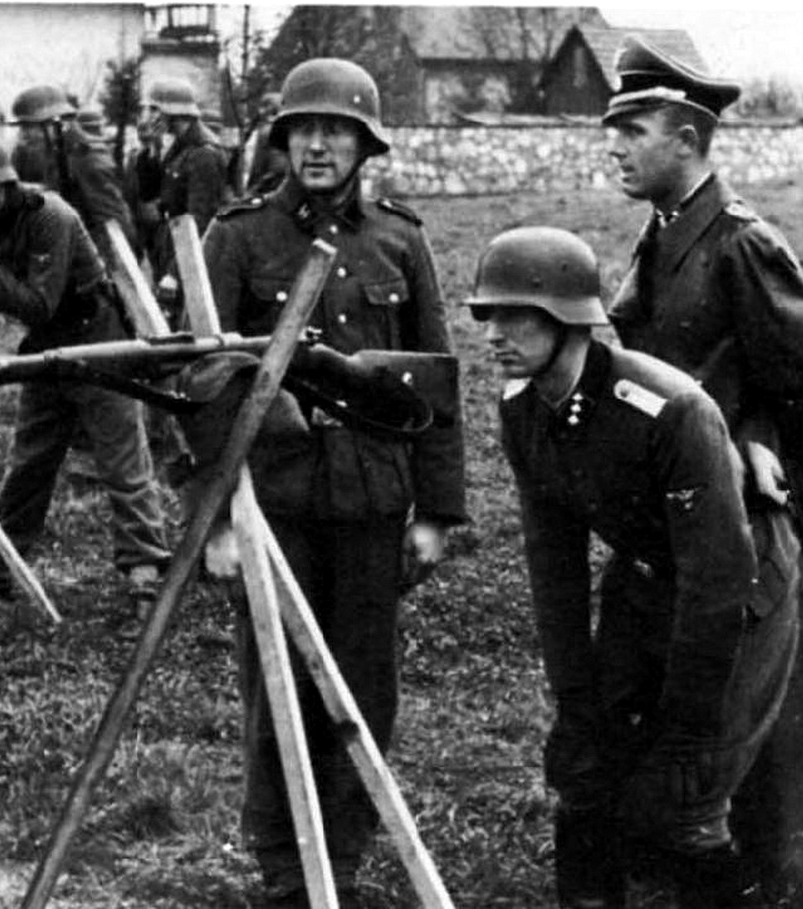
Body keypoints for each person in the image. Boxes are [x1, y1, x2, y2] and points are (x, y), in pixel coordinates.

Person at [201, 58, 466, 909]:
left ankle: (343, 848)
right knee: (276, 677)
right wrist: (216, 521)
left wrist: (437, 511)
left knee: (363, 680)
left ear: (365, 145)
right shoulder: (237, 237)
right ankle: (285, 858)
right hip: (271, 500)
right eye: (303, 131)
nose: (318, 146)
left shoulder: (399, 239)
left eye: (337, 131)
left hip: (372, 497)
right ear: (282, 143)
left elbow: (434, 381)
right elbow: (198, 388)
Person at [601, 35, 803, 898]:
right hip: (674, 514)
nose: (614, 146)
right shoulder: (662, 236)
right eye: (613, 129)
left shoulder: (742, 243)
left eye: (634, 129)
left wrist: (782, 470)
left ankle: (767, 876)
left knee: (756, 722)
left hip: (748, 523)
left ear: (687, 137)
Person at [470, 226, 796, 908]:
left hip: (740, 587)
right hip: (649, 576)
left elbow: (717, 579)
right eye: (488, 315)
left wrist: (688, 722)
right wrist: (574, 698)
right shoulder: (524, 407)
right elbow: (553, 568)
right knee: (584, 769)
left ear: (569, 320)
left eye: (516, 316)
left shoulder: (669, 409)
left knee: (689, 792)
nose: (494, 334)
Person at [0, 133, 171, 611]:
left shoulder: (49, 216)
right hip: (47, 345)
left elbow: (38, 304)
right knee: (30, 461)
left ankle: (145, 572)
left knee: (121, 459)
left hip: (97, 339)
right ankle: (0, 567)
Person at [10, 84, 138, 258]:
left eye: (28, 126)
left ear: (56, 123)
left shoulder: (88, 158)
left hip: (95, 258)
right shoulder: (56, 152)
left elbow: (113, 226)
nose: (23, 134)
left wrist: (100, 269)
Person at [136, 77, 228, 318]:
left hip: (189, 256)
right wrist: (151, 147)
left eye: (154, 110)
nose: (149, 117)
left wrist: (175, 273)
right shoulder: (181, 148)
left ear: (171, 111)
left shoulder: (203, 154)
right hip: (171, 245)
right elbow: (150, 192)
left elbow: (201, 220)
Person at [238, 91, 288, 196]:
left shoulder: (267, 132)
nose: (260, 111)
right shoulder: (283, 129)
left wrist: (253, 191)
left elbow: (274, 167)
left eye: (263, 107)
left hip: (264, 190)